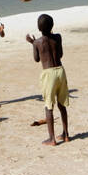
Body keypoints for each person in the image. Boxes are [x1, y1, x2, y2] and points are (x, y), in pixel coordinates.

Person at [25, 14, 69, 146]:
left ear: (38, 28)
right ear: (52, 26)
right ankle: (66, 134)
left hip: (48, 74)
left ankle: (52, 138)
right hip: (60, 71)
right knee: (62, 105)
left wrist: (33, 43)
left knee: (49, 106)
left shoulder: (38, 42)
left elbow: (37, 59)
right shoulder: (58, 37)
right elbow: (60, 54)